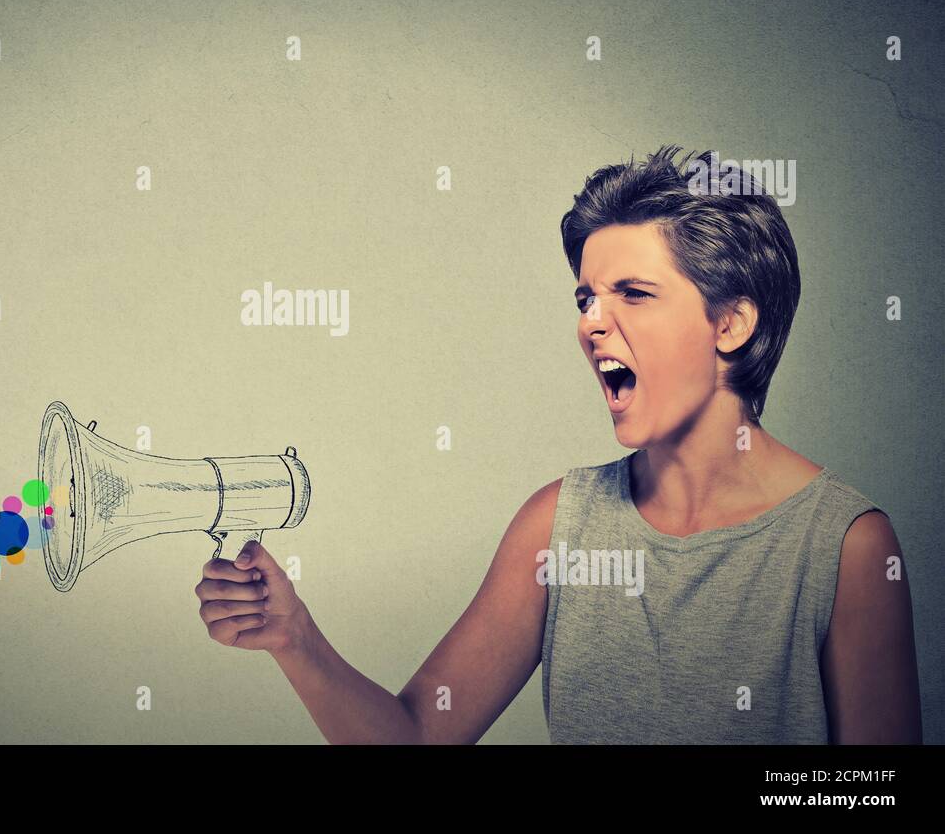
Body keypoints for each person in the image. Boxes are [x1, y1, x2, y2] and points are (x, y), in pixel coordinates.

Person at [194, 145, 921, 744]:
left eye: (633, 293)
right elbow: (416, 739)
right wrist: (295, 639)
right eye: (585, 298)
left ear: (730, 325)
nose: (592, 324)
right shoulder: (556, 526)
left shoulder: (845, 548)